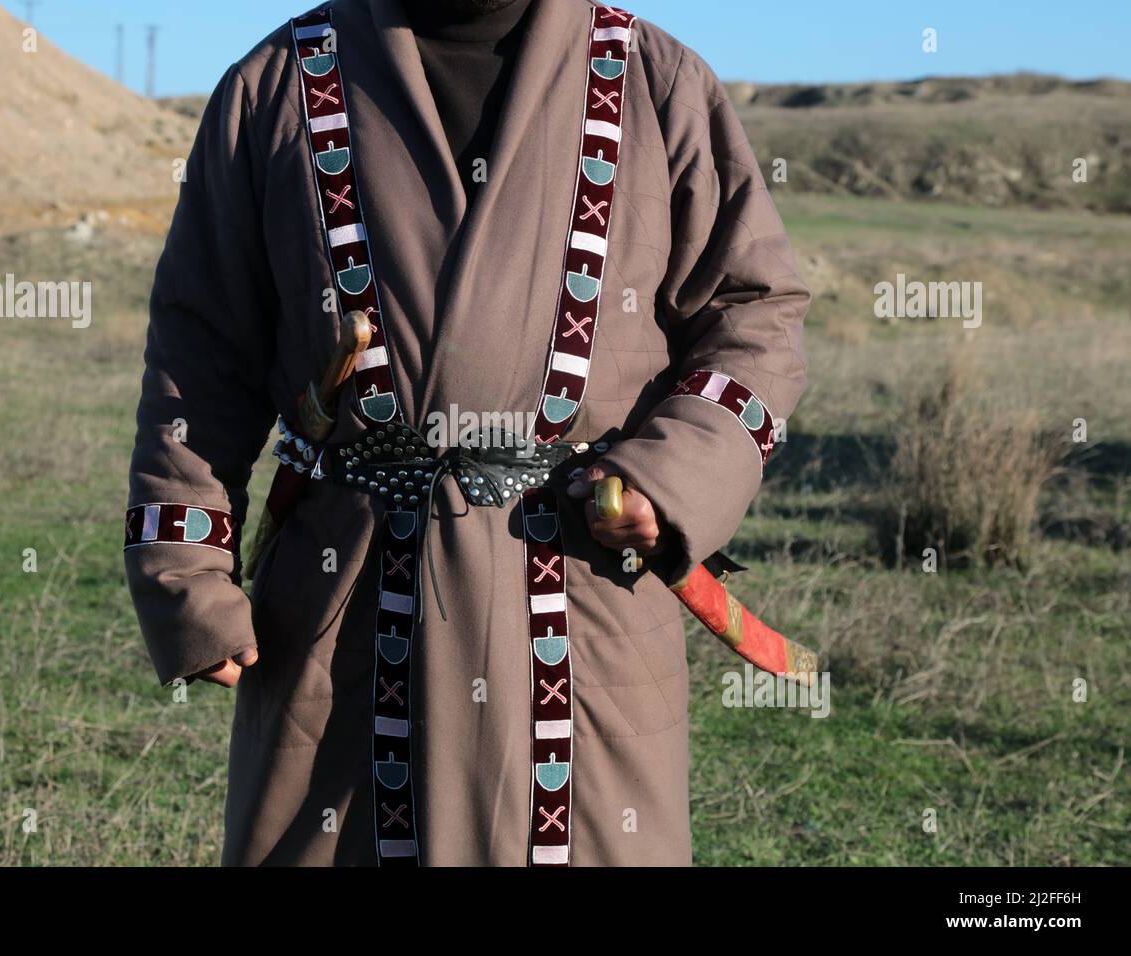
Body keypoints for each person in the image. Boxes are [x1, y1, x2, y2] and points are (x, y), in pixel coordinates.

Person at [124, 0, 809, 866]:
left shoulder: (653, 78)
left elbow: (755, 313)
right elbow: (202, 347)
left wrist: (674, 476)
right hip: (345, 597)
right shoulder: (278, 85)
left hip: (580, 591)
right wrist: (183, 566)